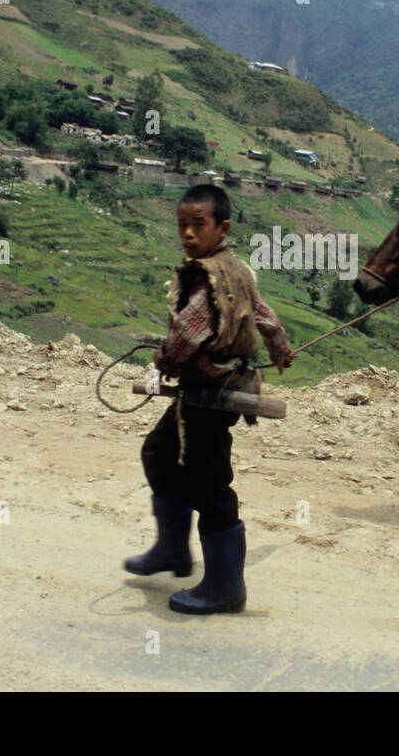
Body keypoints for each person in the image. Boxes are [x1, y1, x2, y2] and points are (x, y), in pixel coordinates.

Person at [124, 184, 293, 614]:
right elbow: (262, 314)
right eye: (182, 225)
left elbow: (188, 335)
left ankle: (225, 587)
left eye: (198, 225)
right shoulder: (234, 269)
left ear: (222, 227)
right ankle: (173, 551)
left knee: (208, 483)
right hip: (202, 390)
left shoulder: (206, 277)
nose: (187, 234)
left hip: (211, 393)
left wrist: (164, 358)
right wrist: (279, 347)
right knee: (160, 454)